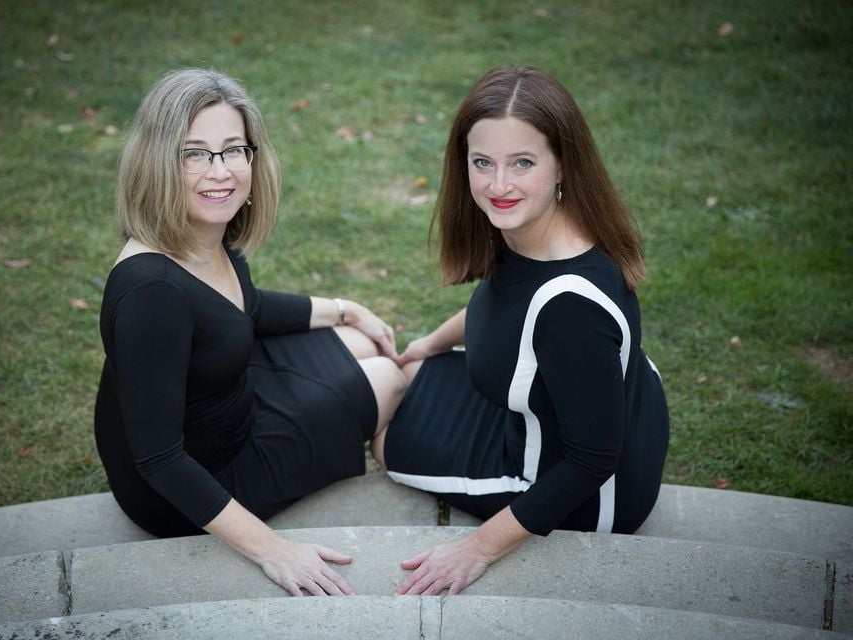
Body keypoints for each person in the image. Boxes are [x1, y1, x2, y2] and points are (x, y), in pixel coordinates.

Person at [94, 68, 407, 597]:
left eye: (232, 149)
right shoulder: (152, 292)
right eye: (193, 153)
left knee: (366, 343)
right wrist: (275, 551)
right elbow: (160, 460)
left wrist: (344, 309)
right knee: (389, 378)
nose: (219, 172)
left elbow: (246, 310)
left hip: (225, 396)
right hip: (193, 482)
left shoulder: (203, 235)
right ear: (157, 162)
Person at [378, 65, 670, 595]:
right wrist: (429, 345)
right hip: (544, 414)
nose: (499, 185)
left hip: (564, 487)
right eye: (482, 162)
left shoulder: (569, 308)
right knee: (408, 372)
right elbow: (502, 303)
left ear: (563, 166)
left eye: (523, 163)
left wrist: (477, 549)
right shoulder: (534, 228)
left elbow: (591, 461)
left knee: (381, 437)